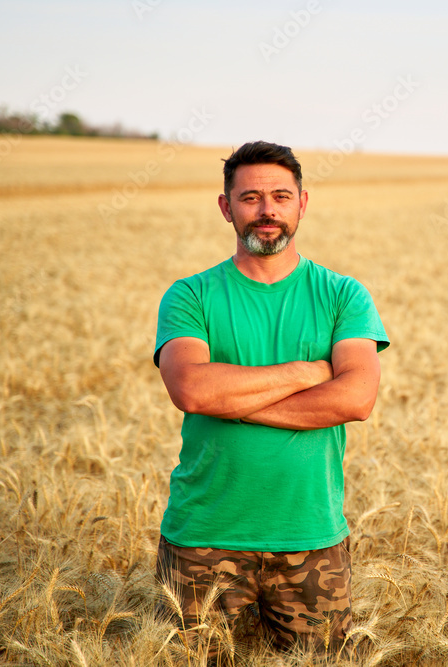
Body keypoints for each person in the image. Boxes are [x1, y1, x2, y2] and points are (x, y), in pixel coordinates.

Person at [152, 141, 389, 659]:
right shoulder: (190, 296)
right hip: (203, 537)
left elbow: (356, 398)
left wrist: (228, 399)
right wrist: (308, 372)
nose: (267, 211)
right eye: (251, 197)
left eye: (281, 196)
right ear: (226, 207)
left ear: (303, 202)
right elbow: (190, 389)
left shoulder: (343, 295)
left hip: (310, 536)